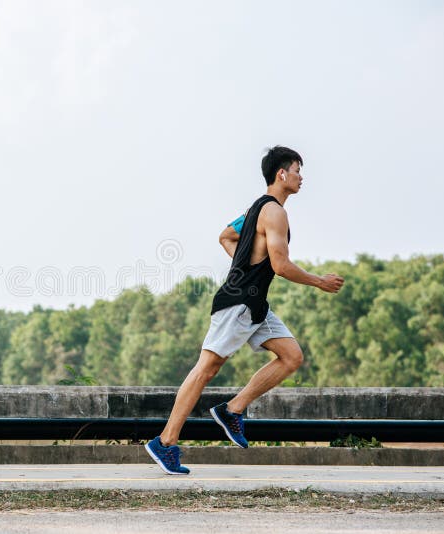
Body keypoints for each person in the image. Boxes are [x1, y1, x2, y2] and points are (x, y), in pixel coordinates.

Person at [144, 146, 345, 475]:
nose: (301, 177)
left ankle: (232, 410)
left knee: (291, 356)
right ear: (282, 174)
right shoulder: (275, 213)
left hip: (255, 305)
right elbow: (280, 265)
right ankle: (165, 442)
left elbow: (227, 236)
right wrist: (318, 281)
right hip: (238, 302)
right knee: (206, 368)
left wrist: (244, 263)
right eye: (297, 170)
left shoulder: (255, 210)